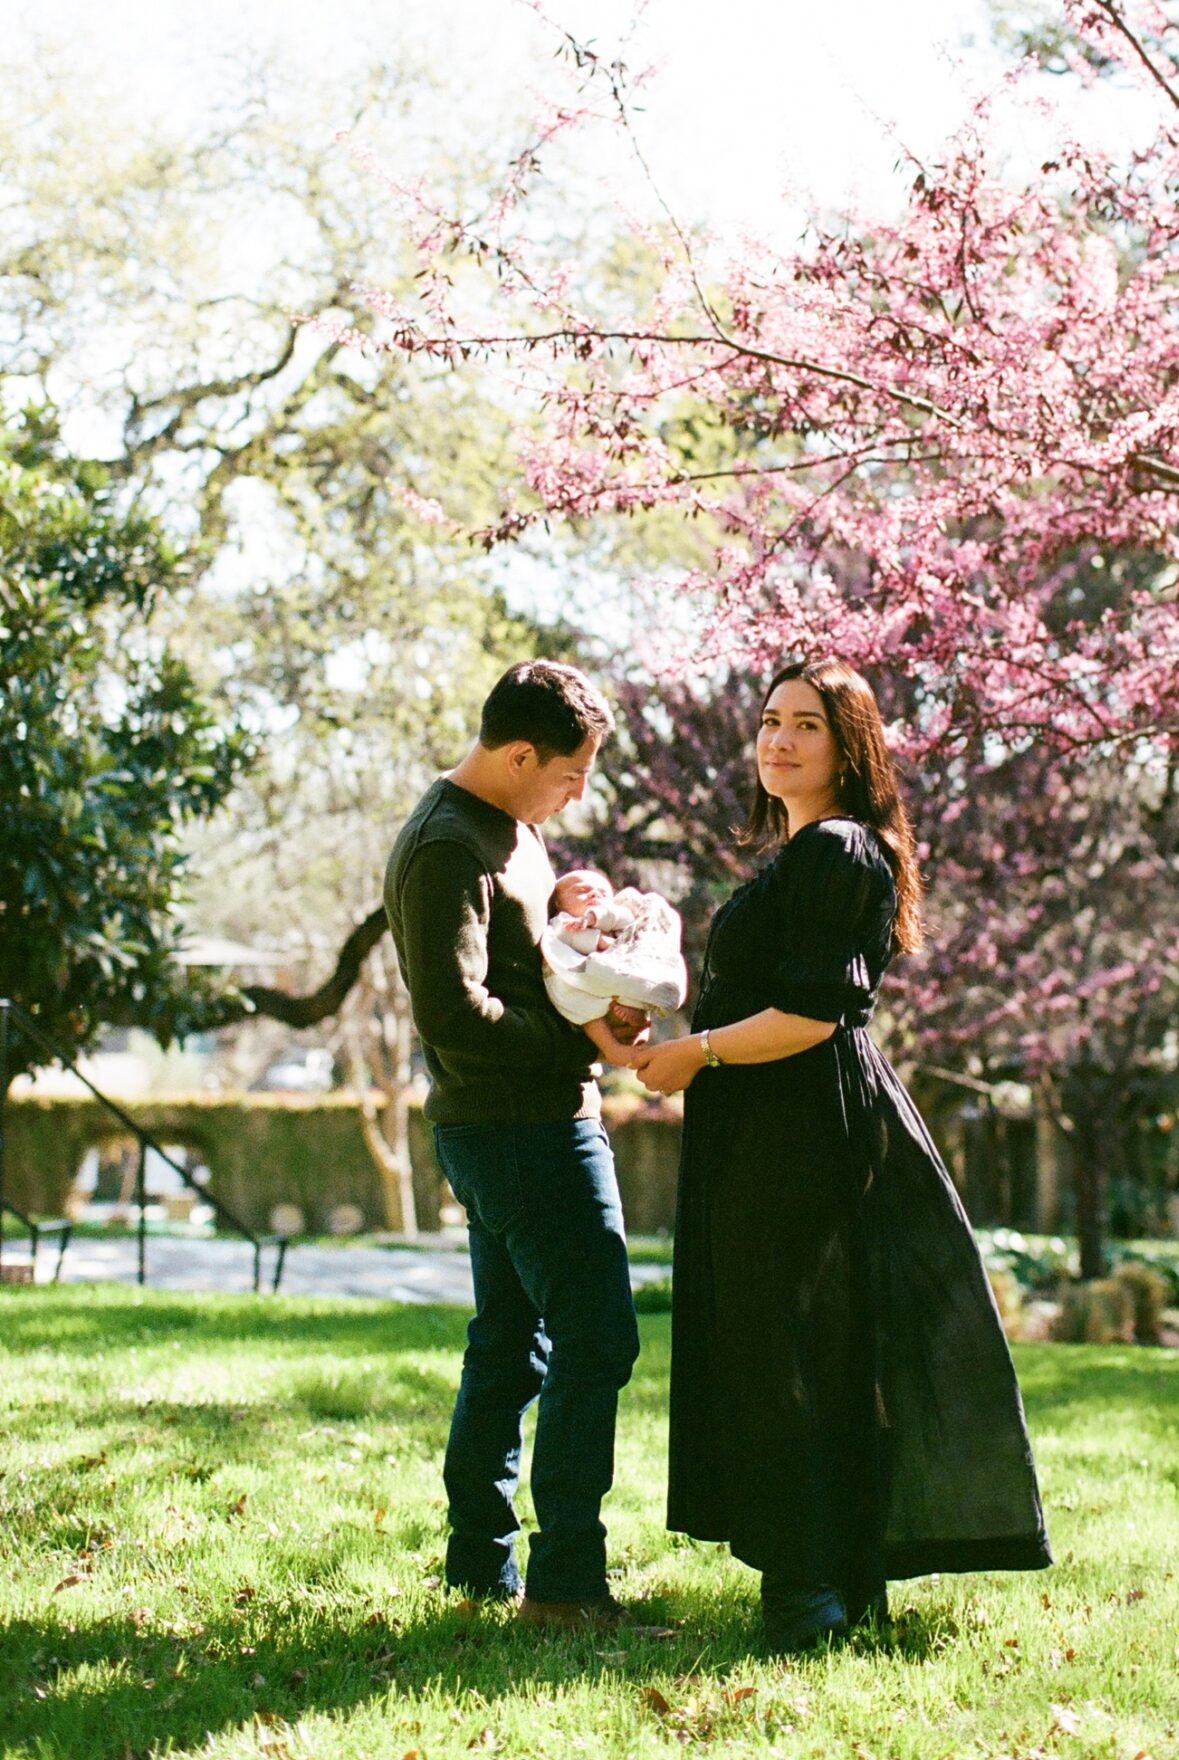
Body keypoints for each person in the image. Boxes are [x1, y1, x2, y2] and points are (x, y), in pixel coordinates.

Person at [634, 657, 1053, 1651]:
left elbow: (814, 1014)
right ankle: (822, 1577)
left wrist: (694, 1051)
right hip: (761, 1117)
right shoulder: (797, 851)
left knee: (785, 1344)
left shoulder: (837, 847)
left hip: (801, 1125)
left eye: (805, 725)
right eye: (768, 720)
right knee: (790, 1341)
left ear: (847, 745)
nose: (777, 739)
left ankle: (807, 1587)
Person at [383, 660, 643, 1631]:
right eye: (569, 774)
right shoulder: (444, 845)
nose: (576, 793)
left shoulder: (513, 828)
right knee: (596, 1335)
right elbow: (457, 1015)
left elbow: (519, 957)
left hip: (522, 1120)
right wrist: (586, 1039)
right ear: (518, 752)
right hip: (517, 1129)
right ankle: (567, 1585)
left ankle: (476, 1569)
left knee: (509, 1344)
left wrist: (572, 901)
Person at [541, 868, 687, 1043]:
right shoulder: (563, 922)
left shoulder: (614, 918)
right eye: (582, 890)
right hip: (588, 982)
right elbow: (567, 937)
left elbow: (624, 919)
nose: (594, 895)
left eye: (603, 893)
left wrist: (596, 917)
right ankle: (612, 1047)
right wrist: (600, 940)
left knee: (638, 974)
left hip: (621, 971)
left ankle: (637, 1010)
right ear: (558, 903)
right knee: (591, 1018)